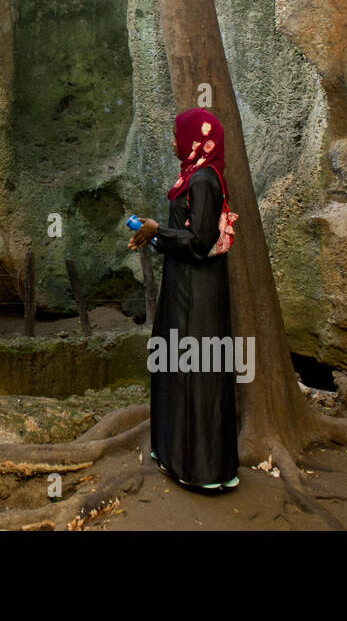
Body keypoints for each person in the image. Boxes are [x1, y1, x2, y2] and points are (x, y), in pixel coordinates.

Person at [128, 108, 239, 491]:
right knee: (176, 364)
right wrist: (152, 235)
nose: (174, 142)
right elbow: (183, 235)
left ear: (196, 138)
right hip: (182, 286)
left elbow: (201, 240)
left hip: (199, 293)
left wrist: (162, 230)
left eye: (178, 135)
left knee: (199, 370)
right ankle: (174, 453)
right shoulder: (191, 176)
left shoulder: (206, 178)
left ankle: (204, 468)